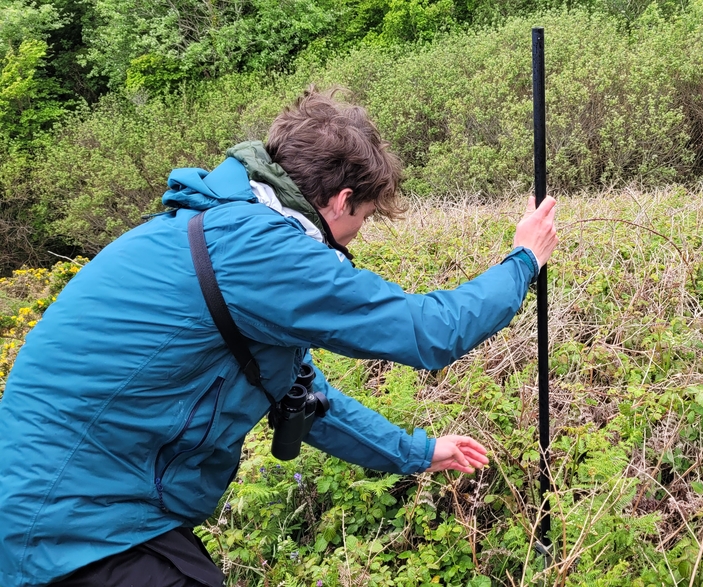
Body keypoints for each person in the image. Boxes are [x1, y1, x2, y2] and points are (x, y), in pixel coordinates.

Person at [0, 86, 558, 587]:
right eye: (361, 217)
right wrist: (524, 259)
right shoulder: (257, 249)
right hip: (67, 521)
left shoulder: (228, 228)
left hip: (82, 508)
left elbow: (302, 398)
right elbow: (428, 331)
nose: (354, 237)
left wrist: (416, 452)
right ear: (341, 200)